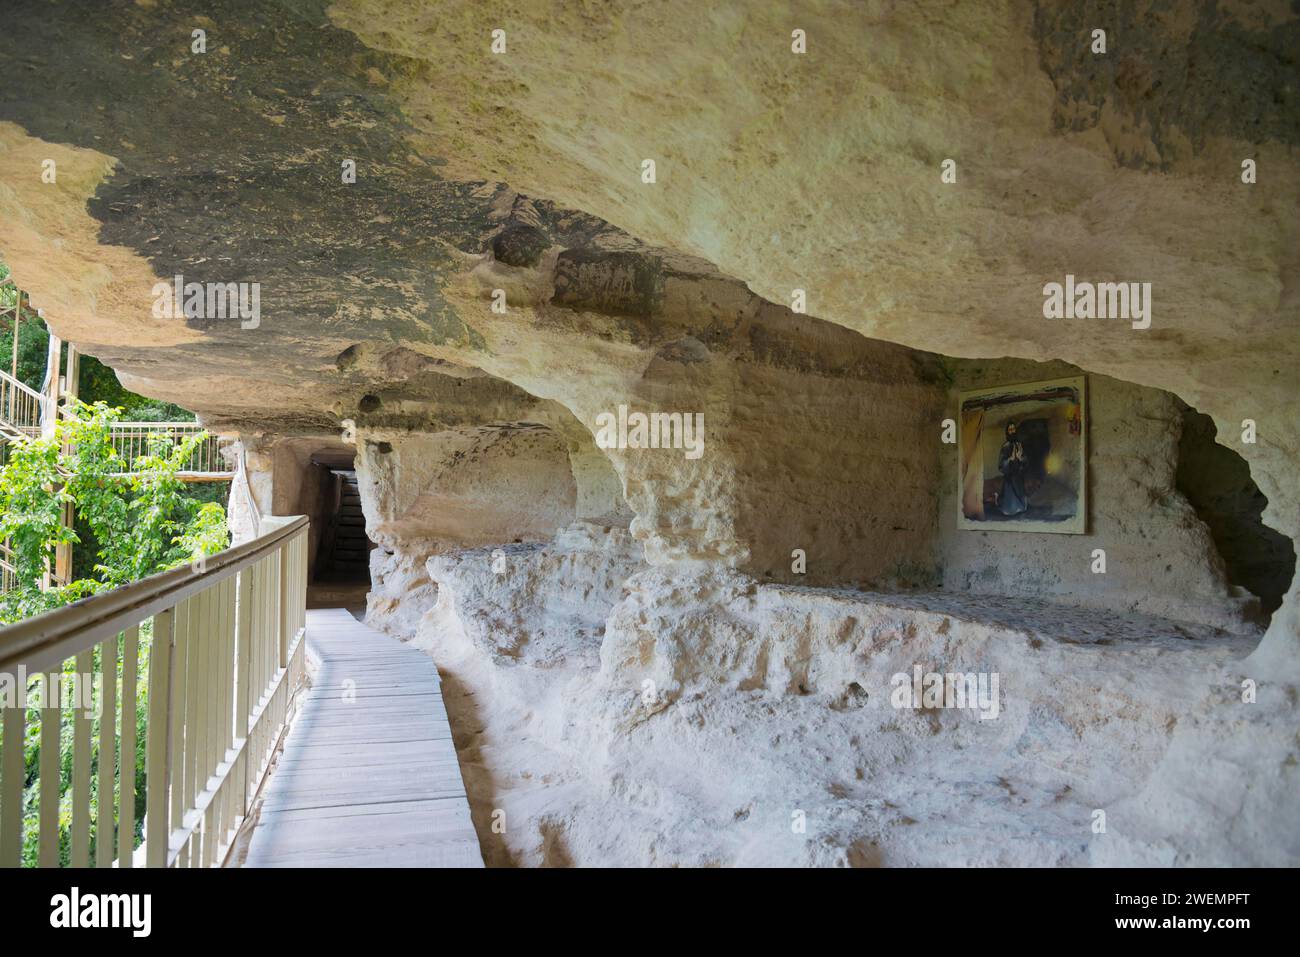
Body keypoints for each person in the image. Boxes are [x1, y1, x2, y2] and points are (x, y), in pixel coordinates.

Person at [997, 421, 1028, 516]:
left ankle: (1021, 507)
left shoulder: (1020, 445)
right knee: (1008, 505)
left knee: (1021, 502)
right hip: (1009, 478)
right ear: (1007, 431)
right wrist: (1010, 459)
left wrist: (1020, 458)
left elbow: (1026, 462)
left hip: (1018, 476)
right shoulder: (1005, 447)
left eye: (1013, 429)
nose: (1012, 431)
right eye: (1010, 429)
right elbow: (1001, 465)